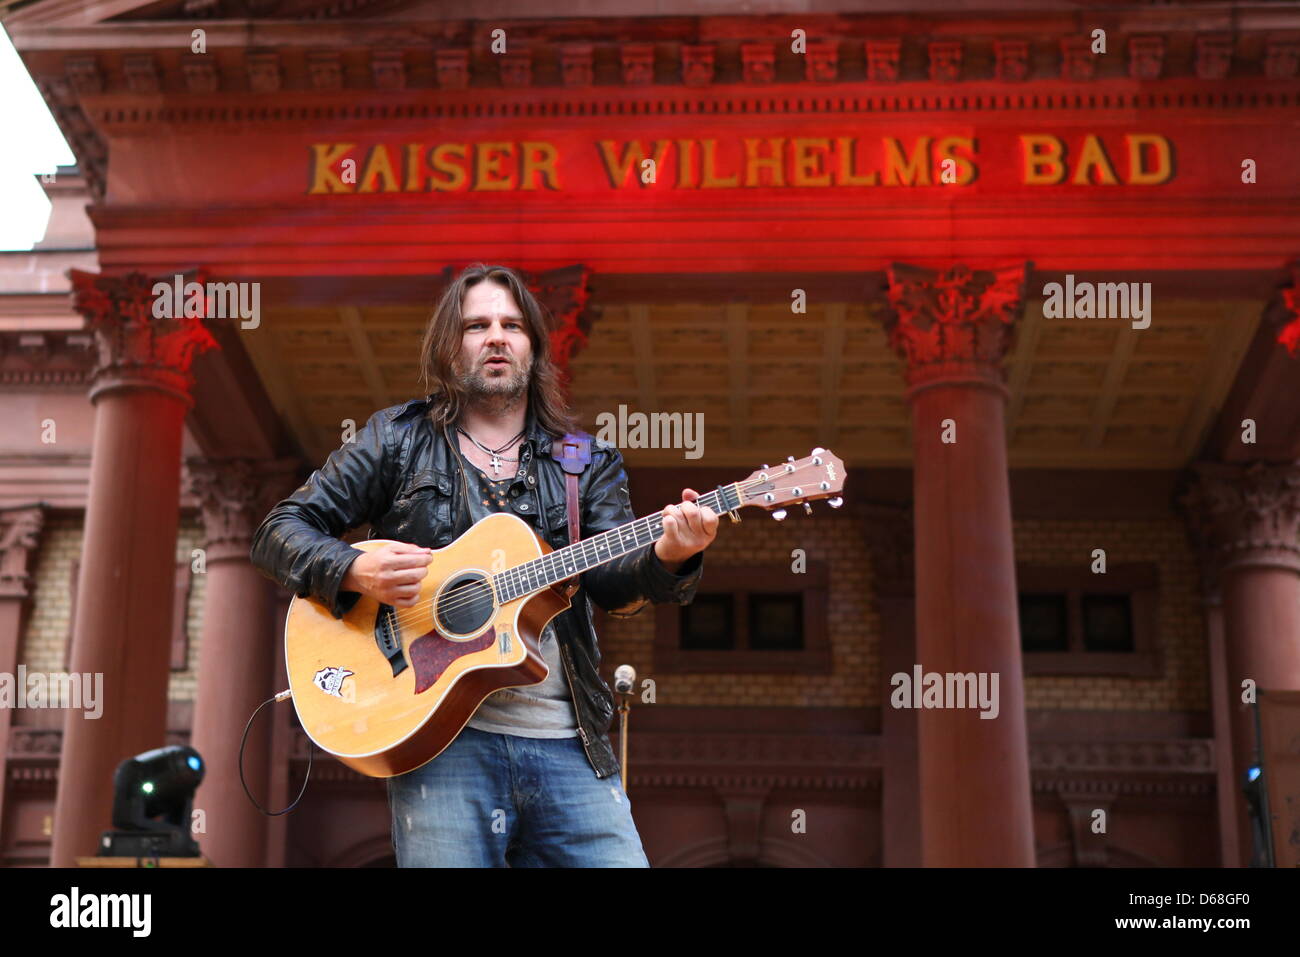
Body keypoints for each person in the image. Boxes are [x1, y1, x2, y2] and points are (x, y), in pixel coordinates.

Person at [249, 263, 718, 867]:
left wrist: (671, 555)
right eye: (477, 325)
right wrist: (353, 571)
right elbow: (276, 532)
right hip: (442, 744)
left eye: (512, 325)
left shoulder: (585, 461)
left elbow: (615, 584)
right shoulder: (397, 439)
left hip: (567, 743)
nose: (496, 336)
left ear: (533, 346)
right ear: (451, 345)